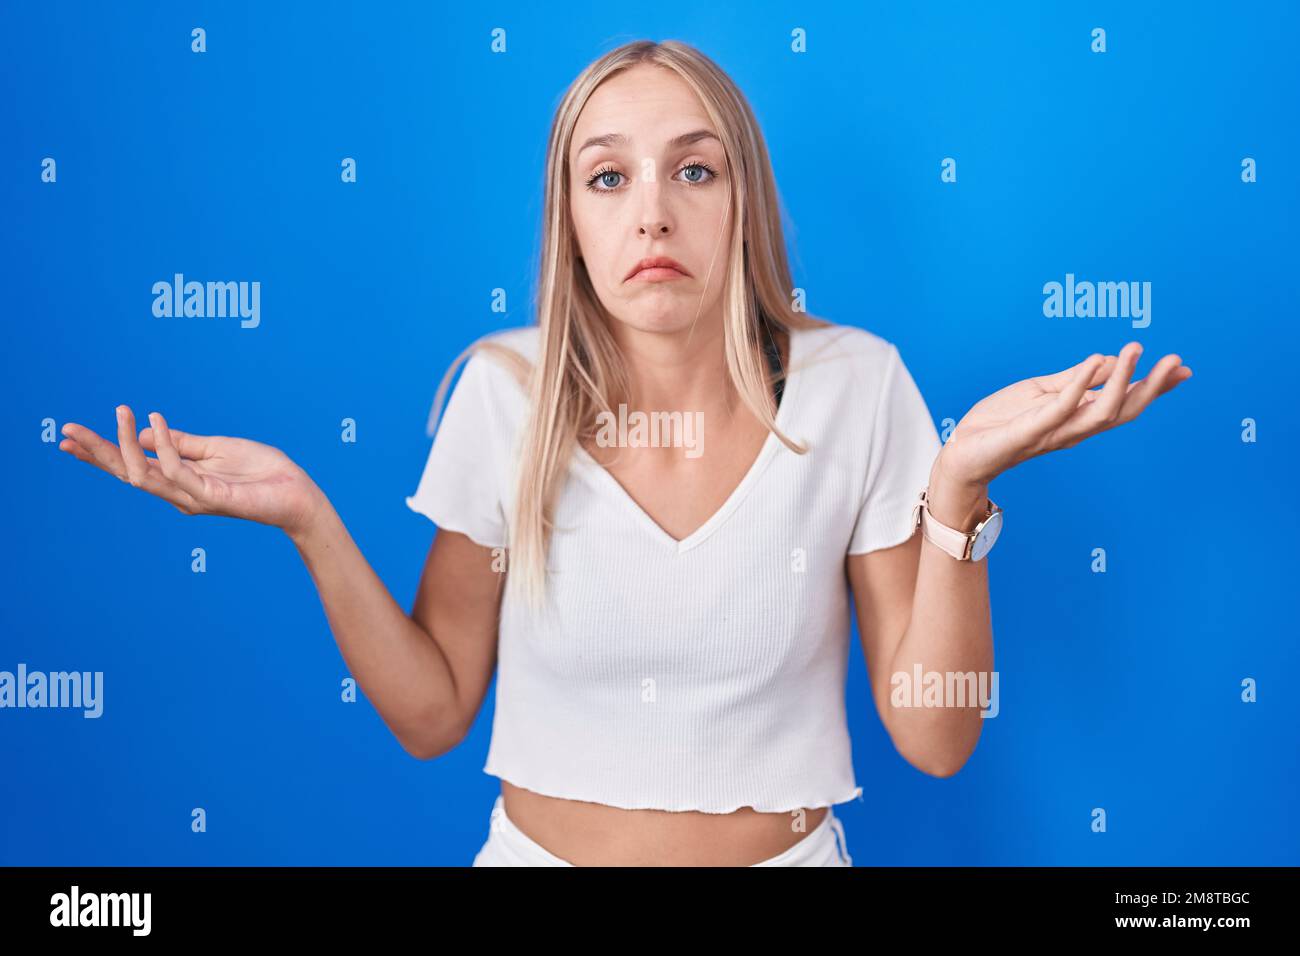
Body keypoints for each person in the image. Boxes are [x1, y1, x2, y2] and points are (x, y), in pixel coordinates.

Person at [57, 39, 1192, 866]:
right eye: (610, 177)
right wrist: (310, 517)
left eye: (693, 170)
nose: (652, 213)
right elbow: (435, 708)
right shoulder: (506, 392)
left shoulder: (857, 385)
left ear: (743, 202)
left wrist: (957, 490)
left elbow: (935, 738)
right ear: (572, 217)